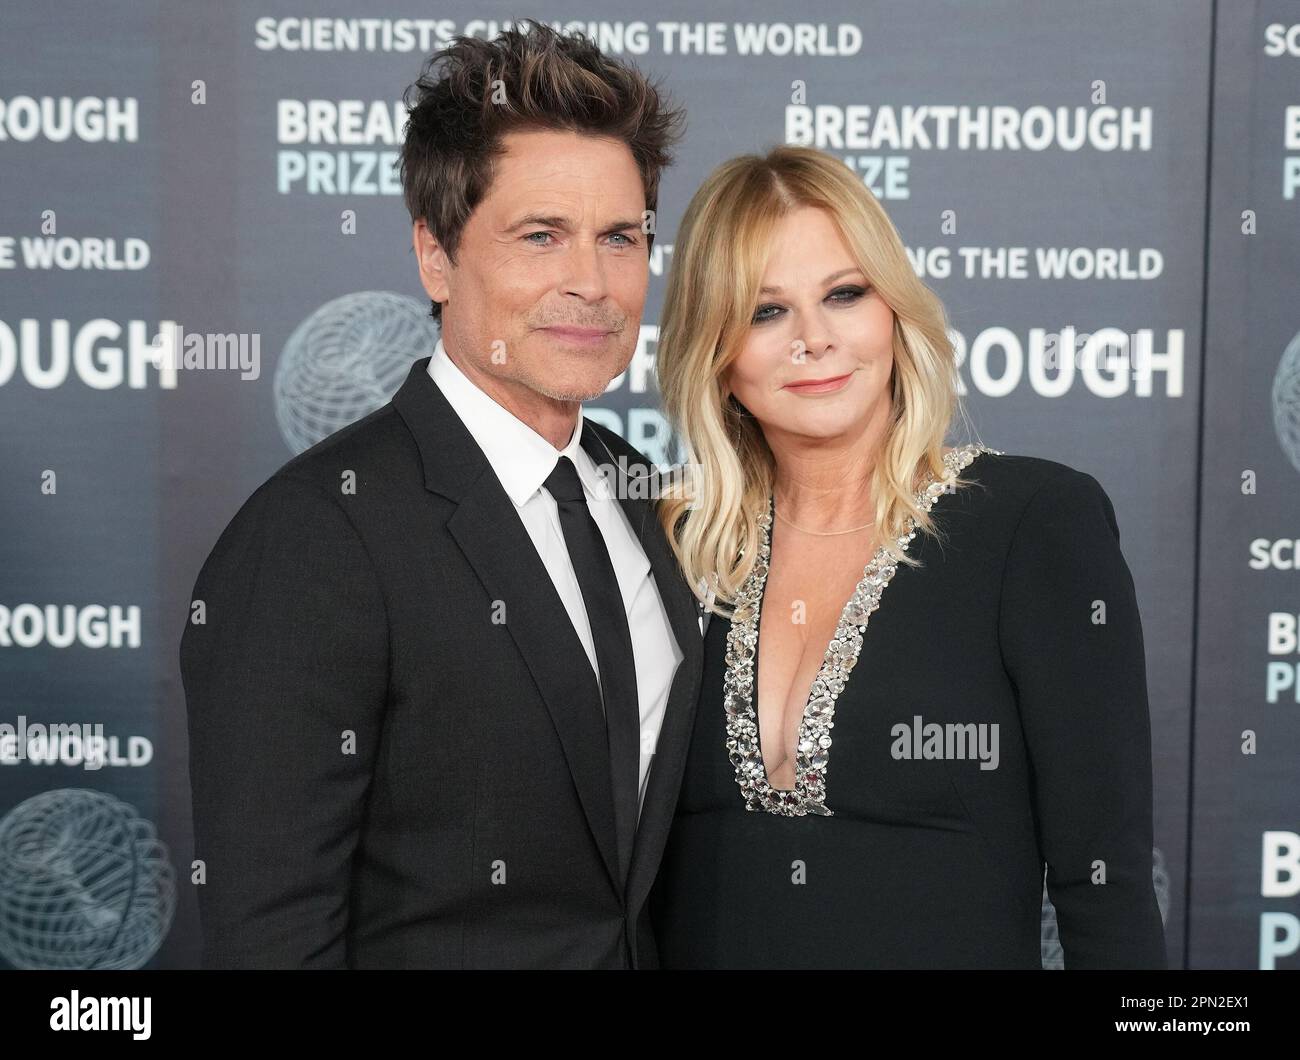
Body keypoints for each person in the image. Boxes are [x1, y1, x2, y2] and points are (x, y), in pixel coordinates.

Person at [180, 21, 698, 969]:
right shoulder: (315, 535)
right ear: (434, 253)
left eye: (619, 238)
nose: (591, 282)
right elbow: (272, 937)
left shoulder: (643, 496)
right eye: (541, 235)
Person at [646, 145, 1167, 969]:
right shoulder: (670, 545)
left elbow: (1106, 889)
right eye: (765, 311)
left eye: (844, 294)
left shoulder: (1033, 526)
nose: (814, 340)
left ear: (893, 309)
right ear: (715, 350)